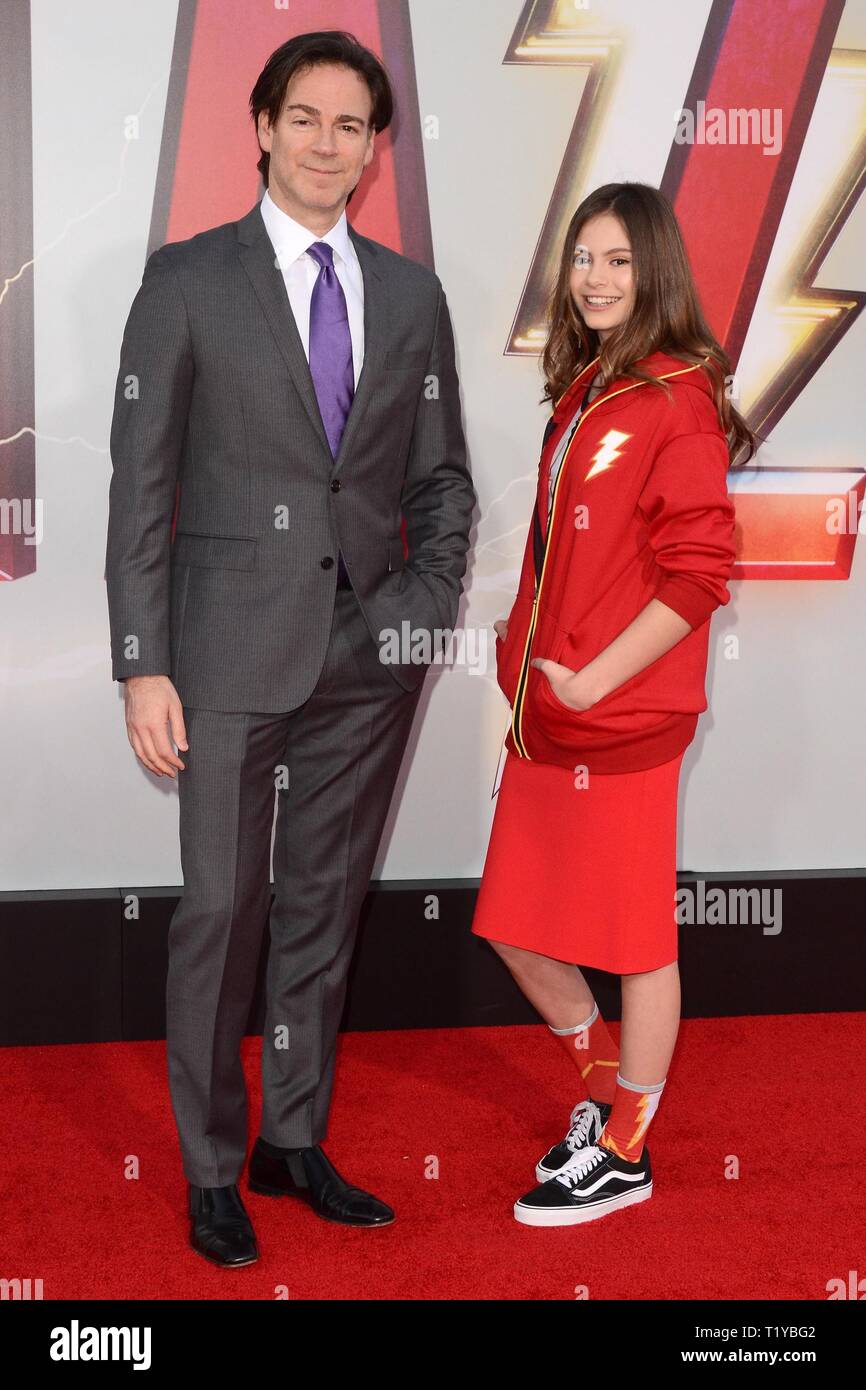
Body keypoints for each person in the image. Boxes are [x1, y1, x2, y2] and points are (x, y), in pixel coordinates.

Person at [105, 30, 475, 1266]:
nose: (328, 144)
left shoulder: (411, 297)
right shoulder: (189, 279)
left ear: (377, 150)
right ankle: (214, 1165)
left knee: (322, 910)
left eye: (352, 126)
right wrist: (140, 659)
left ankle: (291, 1138)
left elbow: (441, 487)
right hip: (218, 659)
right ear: (261, 128)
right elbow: (137, 483)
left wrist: (414, 622)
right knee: (222, 913)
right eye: (305, 119)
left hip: (367, 662)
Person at [471, 181, 756, 1227]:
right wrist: (525, 664)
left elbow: (697, 574)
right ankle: (603, 1093)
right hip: (546, 719)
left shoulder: (678, 398)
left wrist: (595, 676)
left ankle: (627, 1146)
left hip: (624, 724)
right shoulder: (588, 386)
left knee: (637, 941)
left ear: (655, 273)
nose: (592, 277)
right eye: (581, 258)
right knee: (511, 922)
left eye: (617, 260)